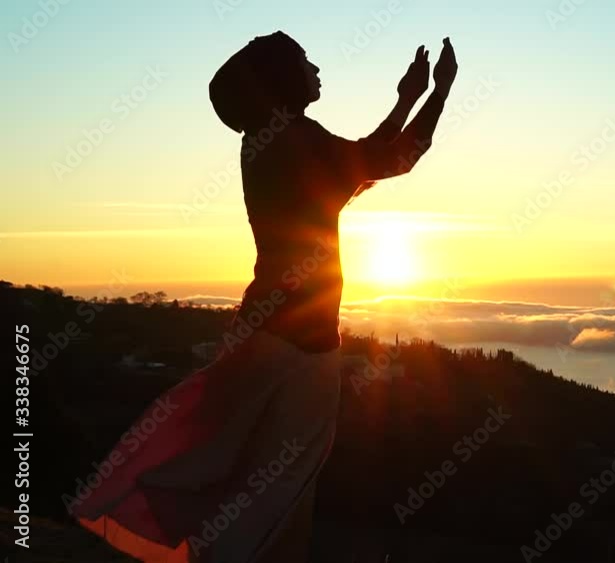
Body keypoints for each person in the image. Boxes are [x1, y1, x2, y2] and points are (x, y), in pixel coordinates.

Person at [70, 31, 458, 562]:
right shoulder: (291, 137)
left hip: (273, 334)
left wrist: (407, 100)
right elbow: (389, 160)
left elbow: (358, 168)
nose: (316, 68)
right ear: (279, 78)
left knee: (244, 471)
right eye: (303, 61)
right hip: (295, 344)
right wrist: (438, 93)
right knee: (274, 486)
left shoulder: (272, 139)